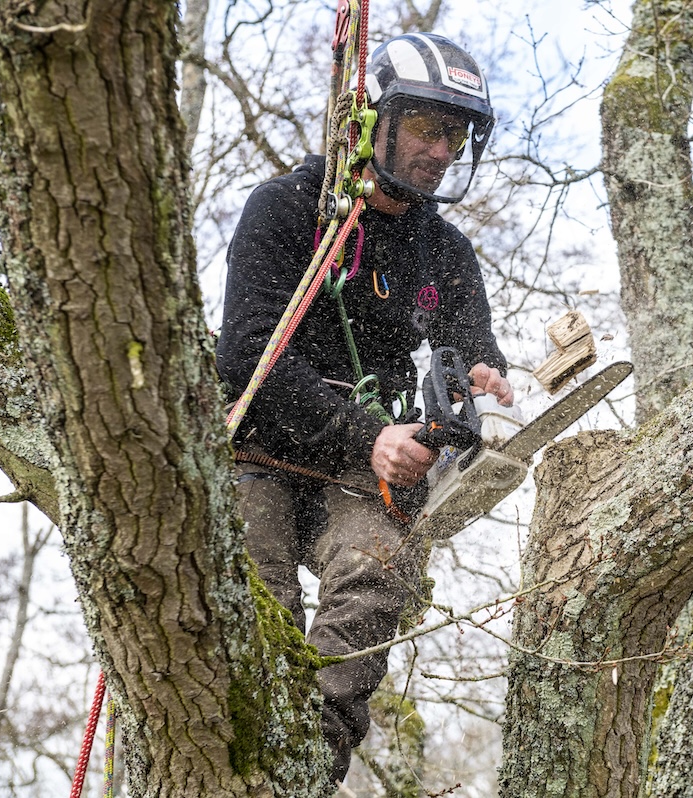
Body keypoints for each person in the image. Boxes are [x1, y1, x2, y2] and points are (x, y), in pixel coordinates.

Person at [215, 32, 513, 784]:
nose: (442, 150)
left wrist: (482, 381)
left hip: (359, 473)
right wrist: (369, 432)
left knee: (381, 568)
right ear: (370, 122)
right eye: (425, 127)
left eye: (455, 135)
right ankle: (245, 759)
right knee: (259, 616)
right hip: (261, 455)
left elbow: (469, 346)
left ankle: (306, 768)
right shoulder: (287, 210)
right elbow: (248, 355)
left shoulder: (444, 252)